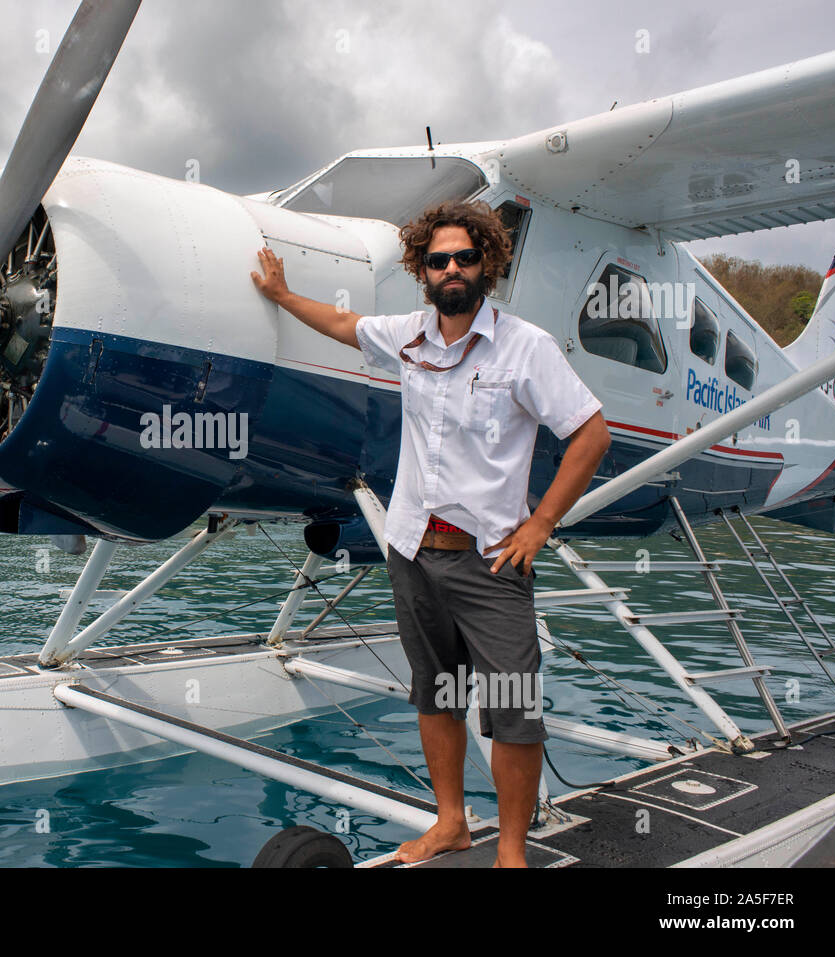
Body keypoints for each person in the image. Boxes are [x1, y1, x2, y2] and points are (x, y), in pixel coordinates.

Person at [250, 199, 611, 867]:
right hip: (414, 550)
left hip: (491, 563)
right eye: (438, 258)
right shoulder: (409, 335)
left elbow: (591, 433)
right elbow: (342, 322)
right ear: (423, 268)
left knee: (512, 711)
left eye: (465, 257)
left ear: (488, 264)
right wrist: (278, 293)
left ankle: (510, 849)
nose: (452, 268)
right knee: (437, 692)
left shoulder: (525, 346)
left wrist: (540, 524)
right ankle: (451, 822)